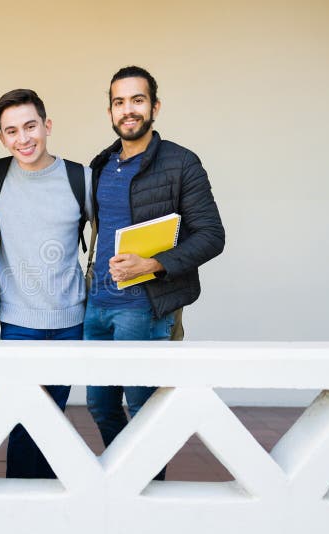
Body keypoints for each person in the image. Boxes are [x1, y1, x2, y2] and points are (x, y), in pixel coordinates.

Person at [84, 66, 225, 479]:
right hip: (98, 305)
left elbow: (212, 235)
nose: (128, 110)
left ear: (155, 107)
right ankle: (126, 477)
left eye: (137, 100)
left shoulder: (182, 163)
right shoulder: (102, 164)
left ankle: (146, 493)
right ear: (110, 111)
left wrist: (155, 263)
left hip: (146, 308)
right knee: (100, 404)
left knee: (144, 407)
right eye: (119, 102)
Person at [0, 89, 92, 479]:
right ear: (2, 138)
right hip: (17, 322)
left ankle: (50, 507)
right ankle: (19, 507)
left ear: (46, 126)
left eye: (30, 126)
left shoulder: (81, 178)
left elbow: (114, 232)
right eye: (11, 131)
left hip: (70, 322)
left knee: (52, 423)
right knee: (19, 421)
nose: (23, 138)